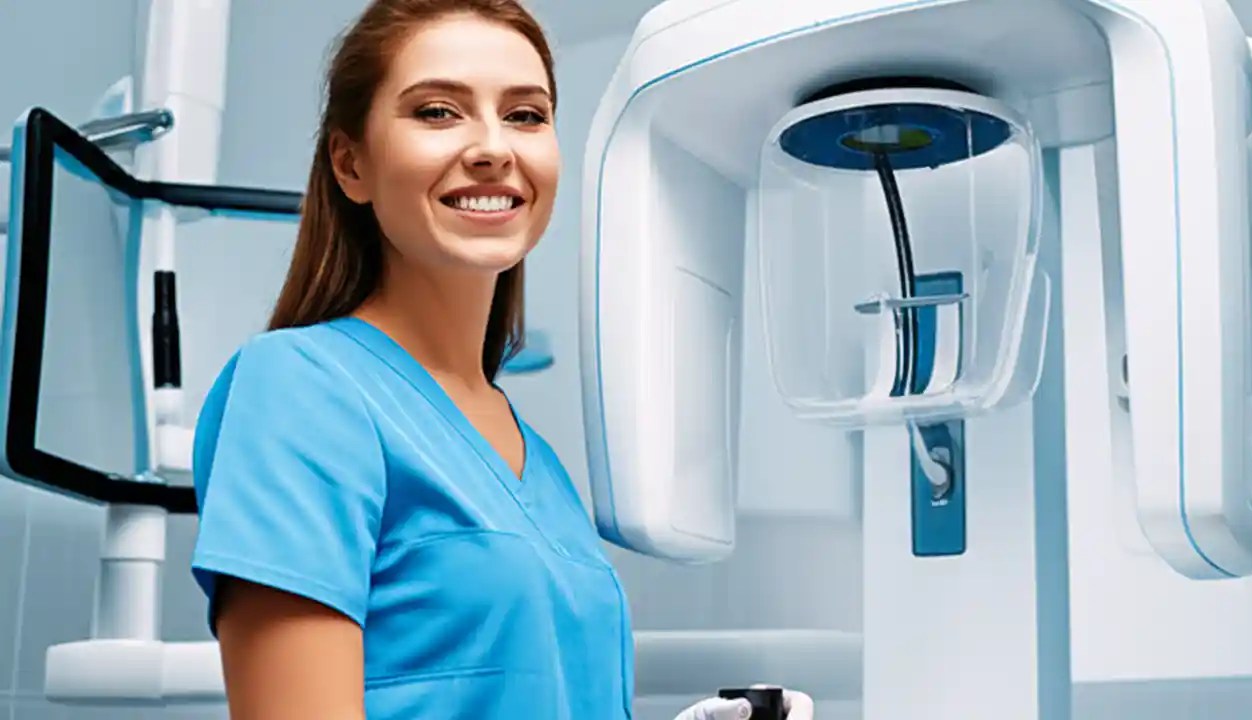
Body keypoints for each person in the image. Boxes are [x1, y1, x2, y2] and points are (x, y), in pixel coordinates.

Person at [188, 1, 816, 718]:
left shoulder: (537, 462)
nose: (493, 147)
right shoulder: (300, 388)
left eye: (525, 115)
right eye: (436, 112)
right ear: (351, 163)